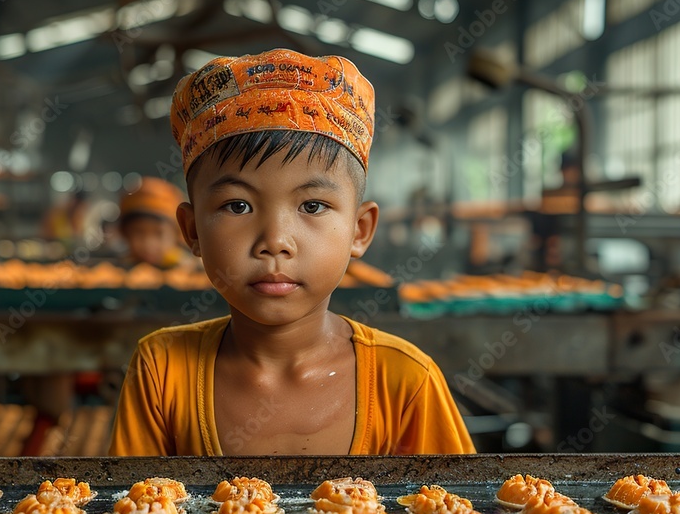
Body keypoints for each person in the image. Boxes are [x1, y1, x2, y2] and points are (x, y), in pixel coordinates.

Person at [108, 49, 474, 456]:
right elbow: (135, 512)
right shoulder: (162, 370)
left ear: (359, 230)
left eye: (312, 206)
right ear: (192, 231)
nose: (275, 240)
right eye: (237, 206)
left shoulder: (405, 382)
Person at [118, 177, 195, 269]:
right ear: (126, 233)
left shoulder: (187, 267)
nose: (149, 244)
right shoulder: (119, 268)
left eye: (159, 233)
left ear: (177, 233)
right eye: (139, 232)